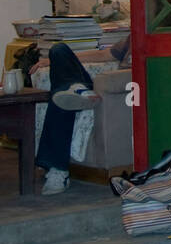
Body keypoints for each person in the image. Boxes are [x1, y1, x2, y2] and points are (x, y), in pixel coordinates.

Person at [35, 34, 129, 195]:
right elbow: (104, 54)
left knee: (62, 96)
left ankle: (58, 169)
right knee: (59, 50)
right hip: (93, 87)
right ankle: (77, 89)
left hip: (118, 94)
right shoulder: (132, 37)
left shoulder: (155, 41)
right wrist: (52, 61)